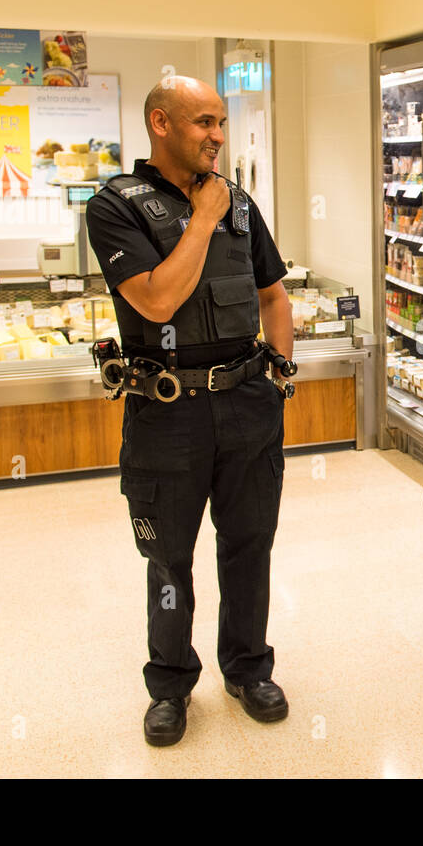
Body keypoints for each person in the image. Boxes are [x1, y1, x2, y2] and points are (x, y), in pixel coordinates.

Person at [86, 76, 293, 747]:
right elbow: (155, 301)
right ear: (161, 123)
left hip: (247, 402)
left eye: (221, 122)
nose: (218, 135)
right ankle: (171, 683)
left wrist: (282, 374)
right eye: (204, 121)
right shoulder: (116, 206)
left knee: (249, 544)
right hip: (167, 412)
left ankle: (248, 666)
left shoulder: (241, 203)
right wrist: (202, 218)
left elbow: (274, 295)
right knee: (170, 559)